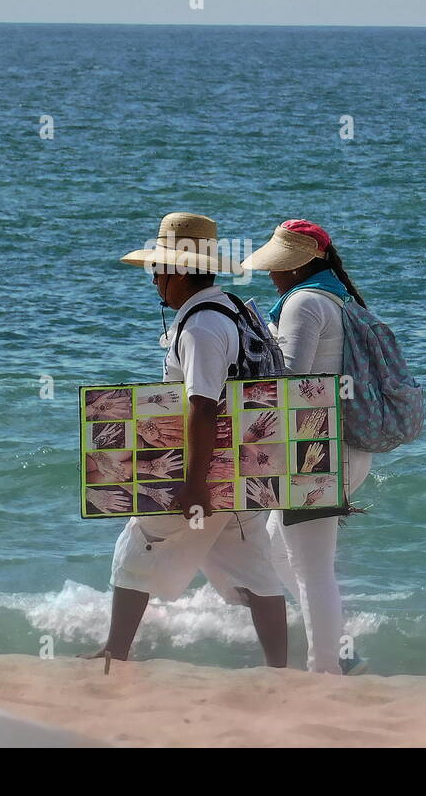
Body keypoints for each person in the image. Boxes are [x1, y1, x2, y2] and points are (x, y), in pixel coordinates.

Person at [80, 212, 288, 667]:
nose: (154, 281)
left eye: (158, 270)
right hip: (243, 468)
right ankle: (281, 671)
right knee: (255, 569)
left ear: (177, 272)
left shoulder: (200, 328)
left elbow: (202, 406)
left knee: (138, 547)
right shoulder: (232, 308)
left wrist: (194, 486)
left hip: (207, 471)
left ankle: (115, 653)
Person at [241, 219, 372, 674]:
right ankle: (341, 652)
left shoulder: (302, 304)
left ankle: (326, 671)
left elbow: (289, 383)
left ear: (300, 266)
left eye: (279, 266)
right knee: (278, 553)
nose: (273, 274)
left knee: (311, 568)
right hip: (338, 444)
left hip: (314, 449)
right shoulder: (337, 297)